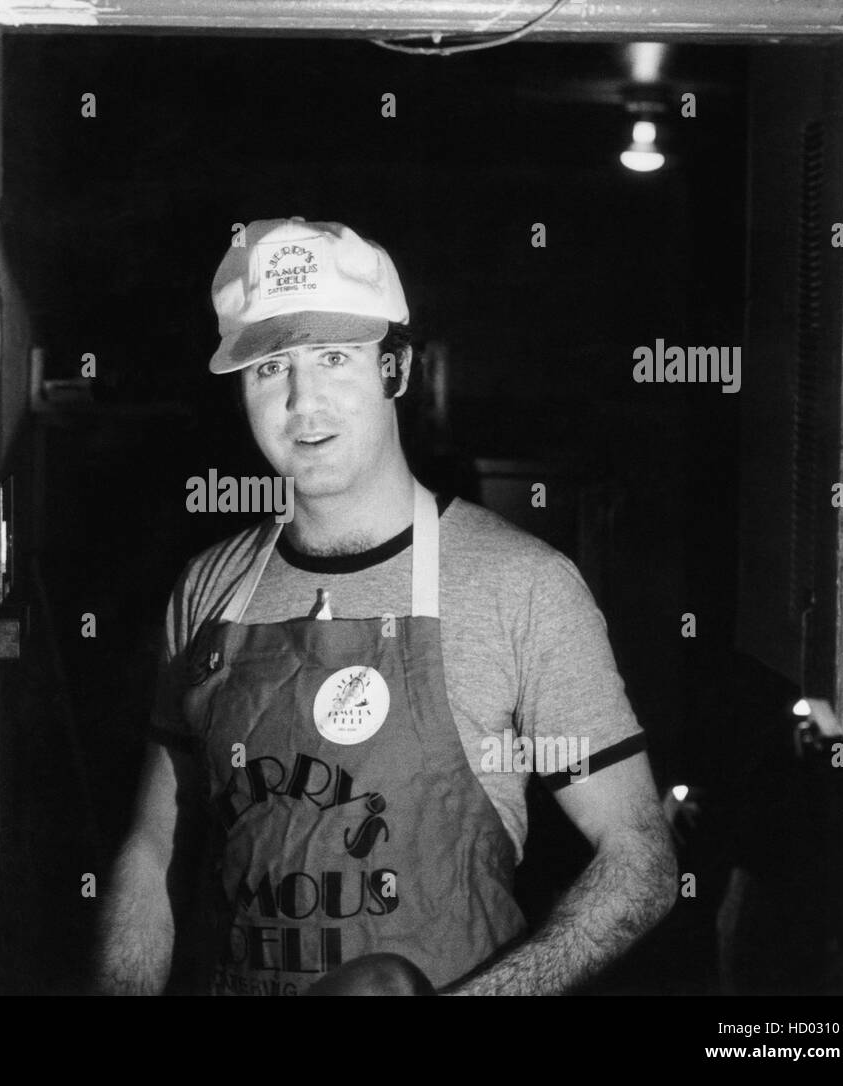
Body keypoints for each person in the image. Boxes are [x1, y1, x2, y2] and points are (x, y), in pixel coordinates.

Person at [94, 218, 677, 996]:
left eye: (335, 357)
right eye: (271, 366)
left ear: (394, 369)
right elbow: (152, 846)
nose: (304, 400)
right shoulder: (208, 588)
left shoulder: (519, 586)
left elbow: (640, 861)